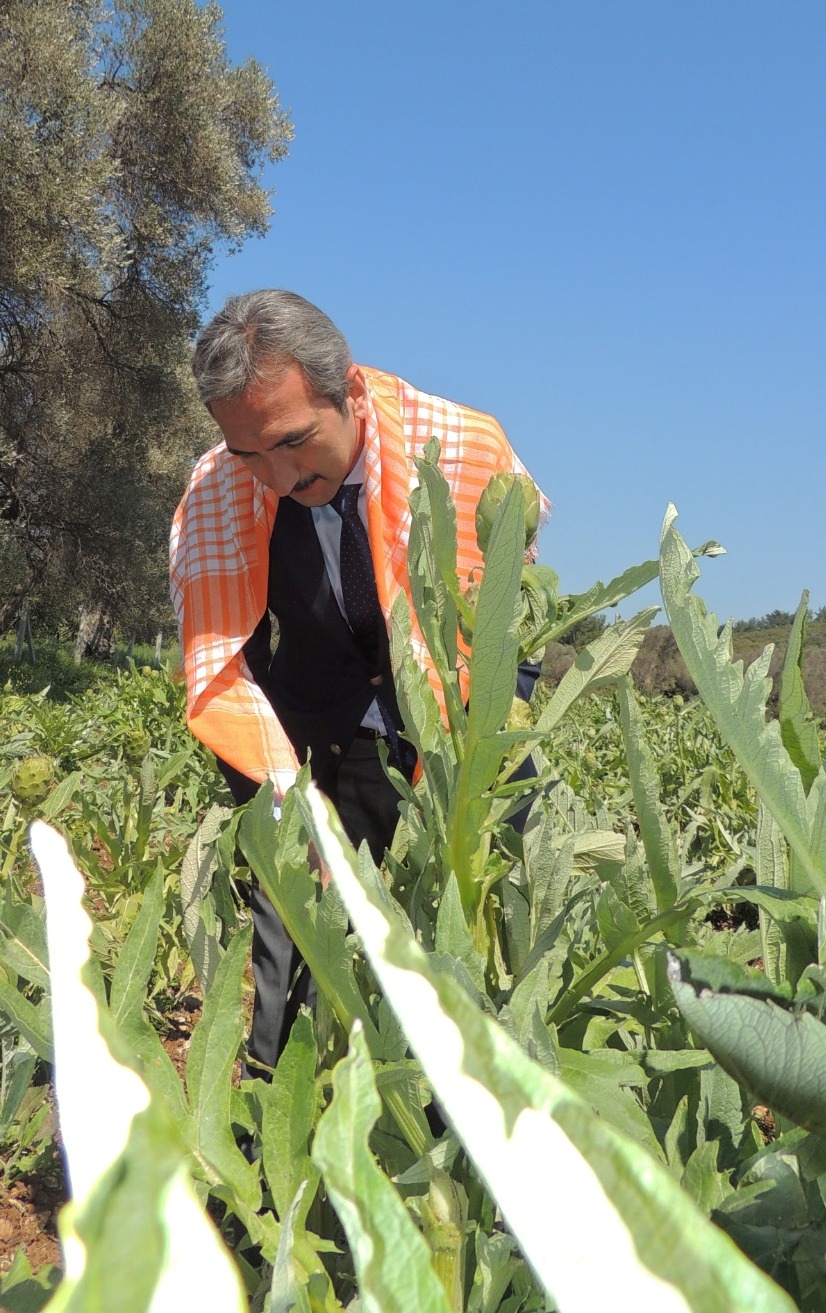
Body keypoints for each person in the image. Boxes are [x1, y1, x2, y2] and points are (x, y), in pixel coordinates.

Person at [170, 289, 546, 1078]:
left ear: (345, 390)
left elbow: (505, 619)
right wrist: (283, 804)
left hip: (464, 725)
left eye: (294, 442)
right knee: (293, 940)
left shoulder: (462, 451)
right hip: (312, 732)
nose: (275, 475)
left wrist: (474, 759)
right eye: (249, 454)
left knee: (482, 940)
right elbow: (224, 665)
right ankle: (276, 1141)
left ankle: (464, 1126)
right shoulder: (220, 491)